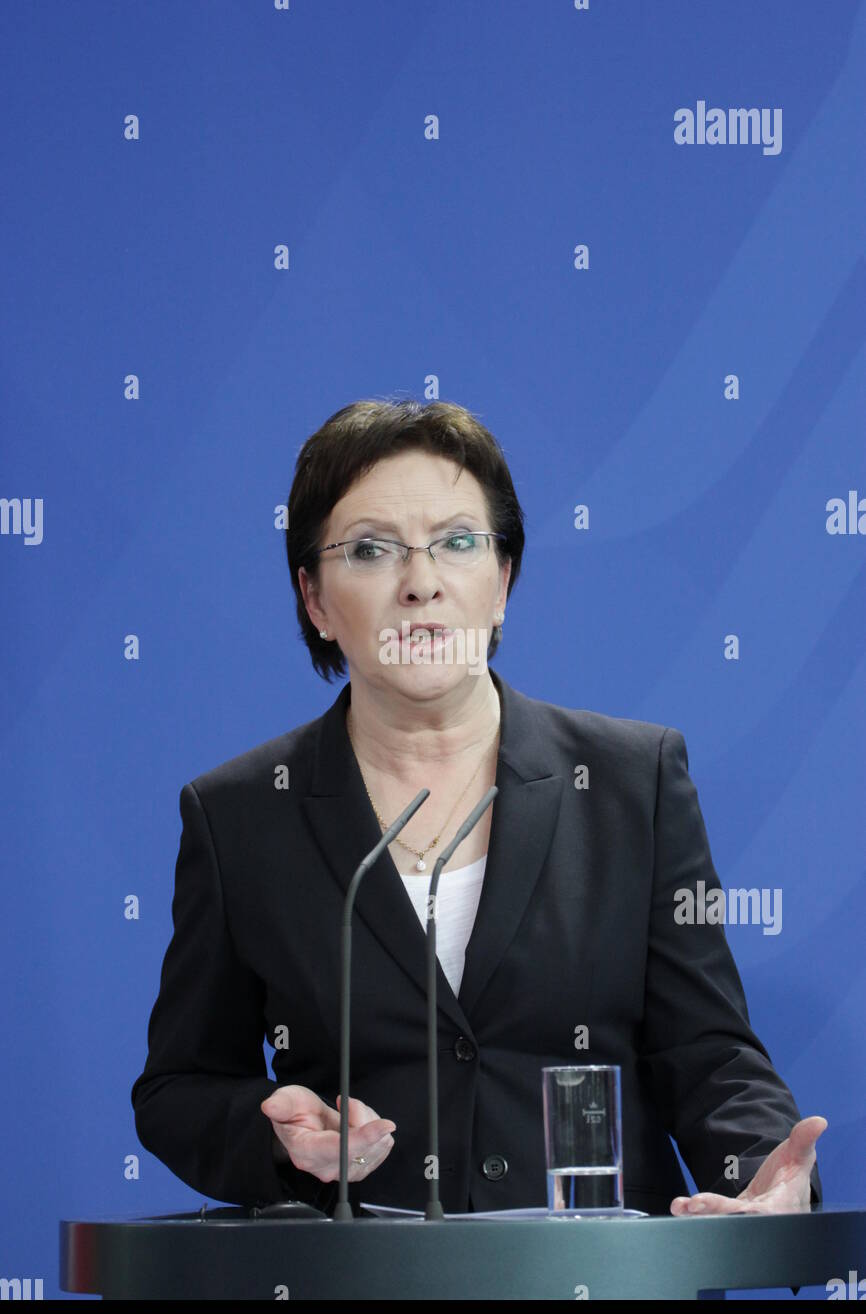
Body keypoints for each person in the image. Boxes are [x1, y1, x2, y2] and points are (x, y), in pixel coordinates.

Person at [131, 398, 826, 1219]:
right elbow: (180, 1088)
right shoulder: (241, 816)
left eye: (458, 543)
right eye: (370, 550)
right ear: (314, 600)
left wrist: (759, 1177)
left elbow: (707, 1051)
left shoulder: (631, 782)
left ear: (501, 583)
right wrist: (275, 1138)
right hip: (360, 1283)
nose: (420, 583)